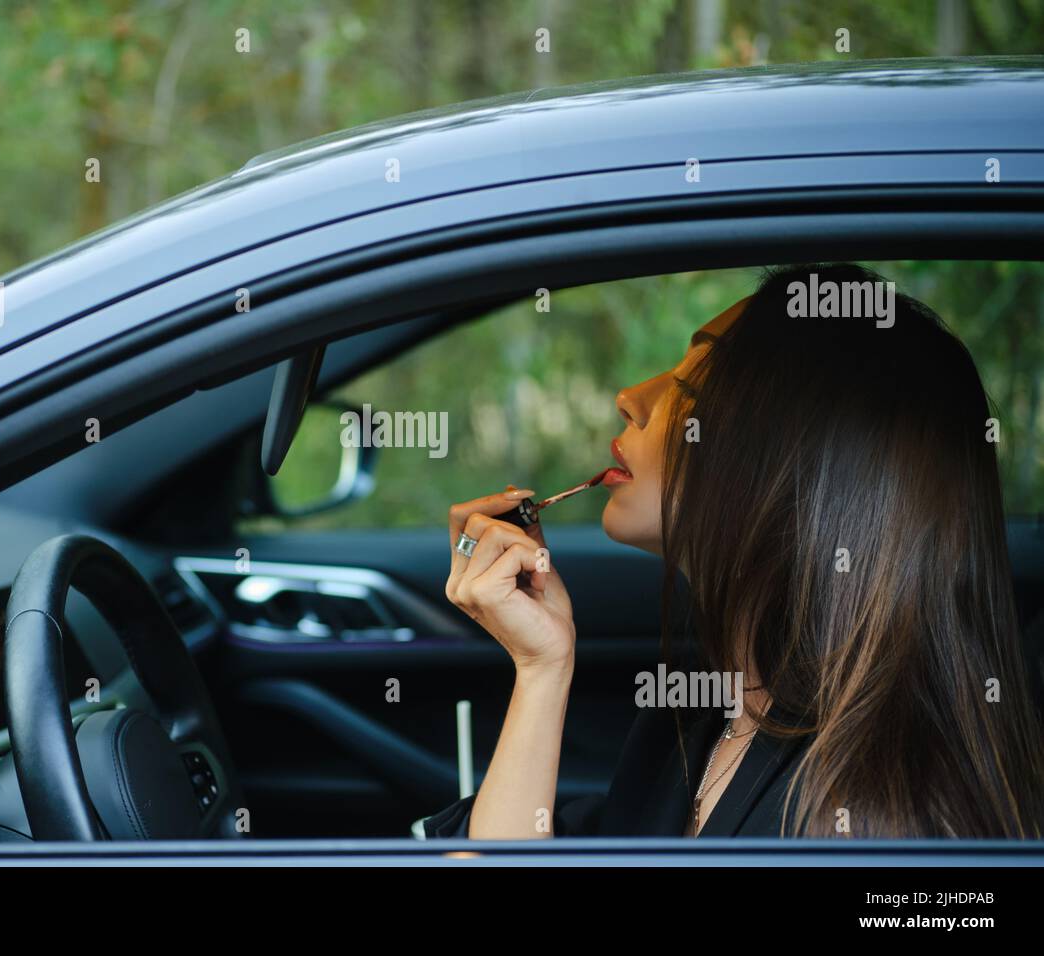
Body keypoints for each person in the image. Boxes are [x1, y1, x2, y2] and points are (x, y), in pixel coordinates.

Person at [424, 263, 1044, 839]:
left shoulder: (882, 813)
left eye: (690, 389)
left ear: (793, 464)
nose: (631, 397)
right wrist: (541, 669)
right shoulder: (696, 720)